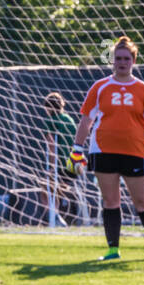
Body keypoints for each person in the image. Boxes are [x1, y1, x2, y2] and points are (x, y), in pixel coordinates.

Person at [70, 36, 144, 261]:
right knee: (111, 202)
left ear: (133, 60)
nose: (121, 62)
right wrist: (76, 149)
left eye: (126, 58)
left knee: (143, 202)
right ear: (112, 60)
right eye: (117, 58)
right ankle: (112, 250)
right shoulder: (99, 87)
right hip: (102, 151)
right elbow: (86, 120)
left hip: (135, 152)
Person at [42, 91, 86, 225]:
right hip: (75, 163)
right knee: (57, 189)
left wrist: (51, 167)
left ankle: (54, 217)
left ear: (48, 107)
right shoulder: (69, 119)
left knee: (46, 188)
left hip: (61, 164)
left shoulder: (50, 120)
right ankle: (58, 216)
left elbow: (51, 145)